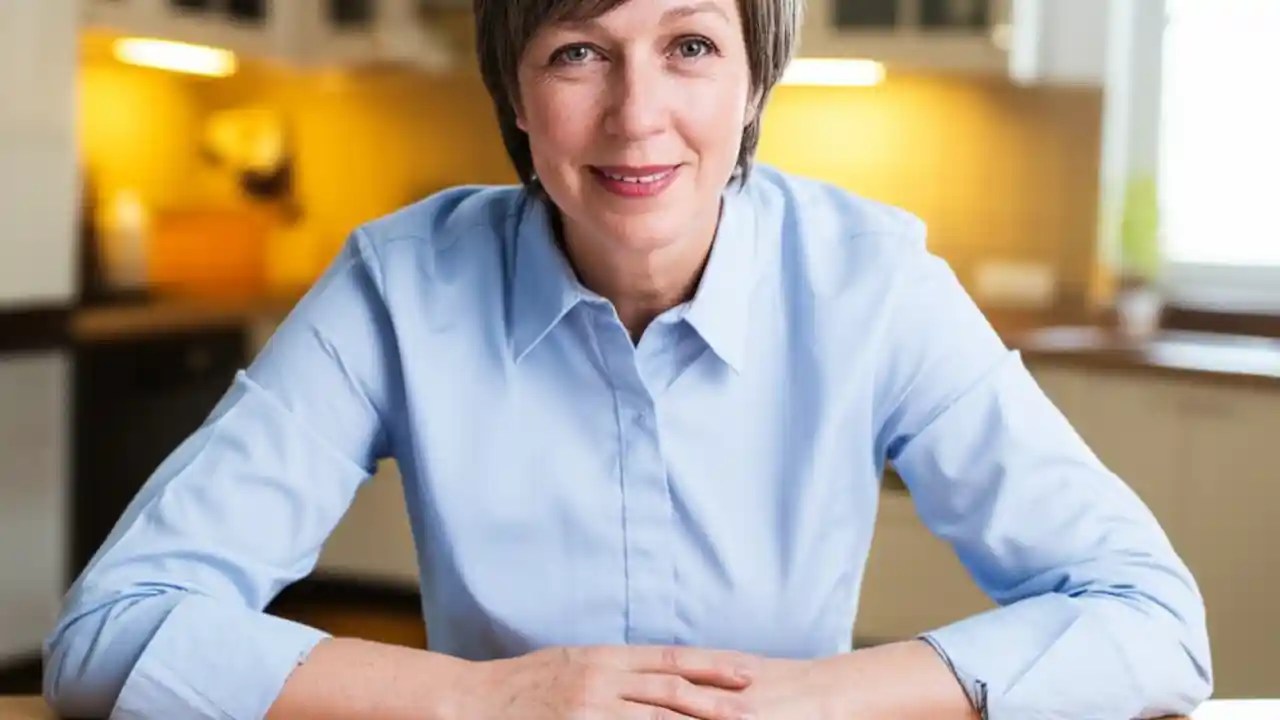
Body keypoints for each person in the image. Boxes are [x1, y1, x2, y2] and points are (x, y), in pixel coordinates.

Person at [44, 0, 1213, 718]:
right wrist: (486, 702)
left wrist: (820, 700)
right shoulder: (398, 283)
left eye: (691, 44)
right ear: (513, 85)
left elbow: (1150, 622)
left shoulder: (874, 283)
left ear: (756, 75)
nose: (635, 115)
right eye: (576, 53)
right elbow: (114, 633)